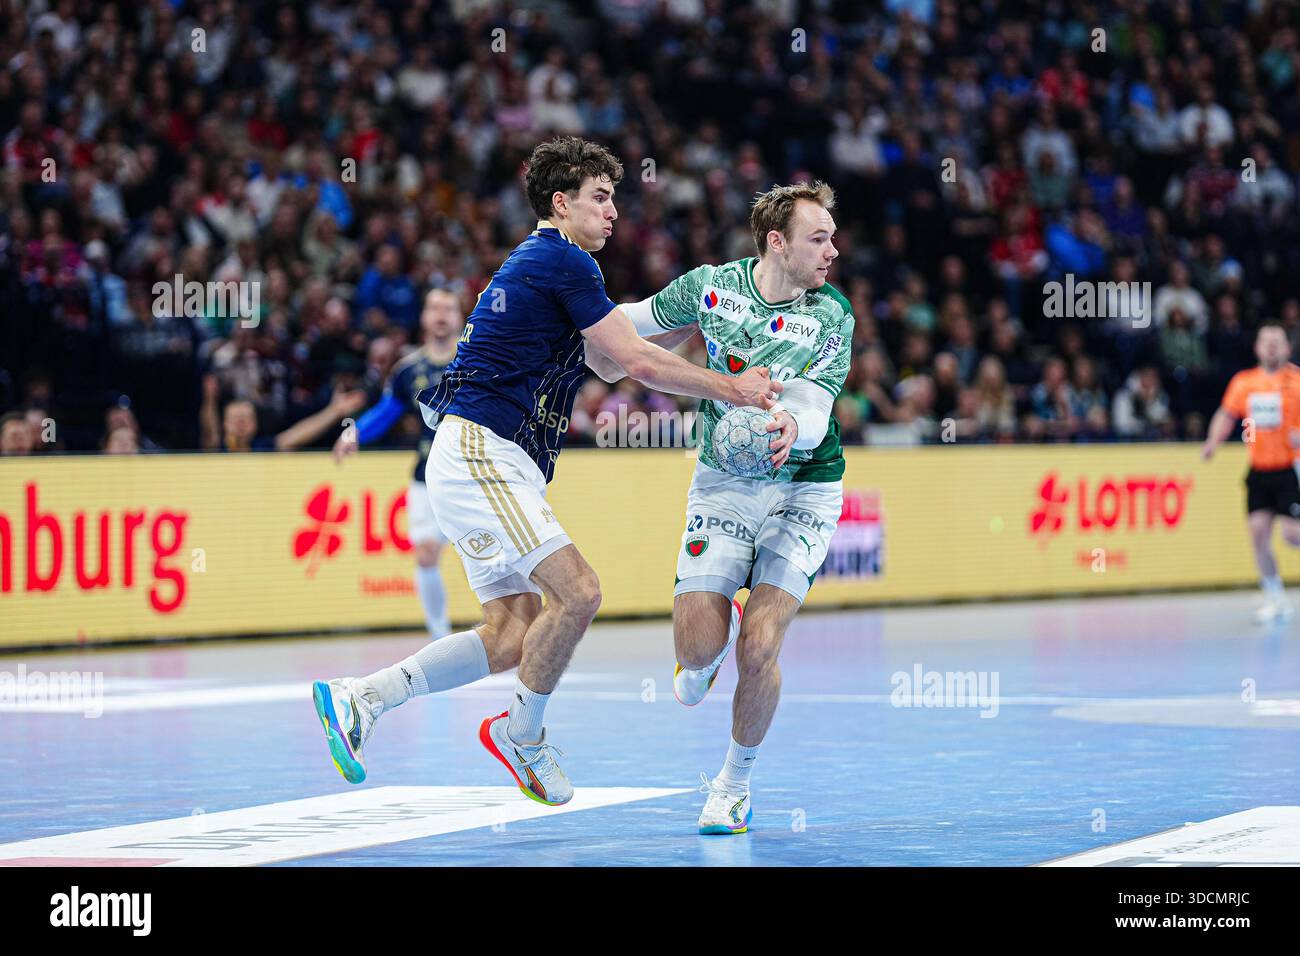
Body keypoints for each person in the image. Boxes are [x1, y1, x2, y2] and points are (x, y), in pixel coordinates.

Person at [312, 136, 780, 804]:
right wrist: (734, 388)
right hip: (483, 451)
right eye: (600, 197)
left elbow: (615, 363)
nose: (614, 211)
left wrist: (696, 315)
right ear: (560, 204)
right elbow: (640, 364)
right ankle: (522, 734)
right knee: (581, 591)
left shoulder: (552, 269)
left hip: (487, 459)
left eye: (615, 197)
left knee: (512, 633)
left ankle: (363, 699)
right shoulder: (561, 259)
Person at [586, 181, 853, 833]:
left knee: (759, 643)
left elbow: (815, 406)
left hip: (805, 485)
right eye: (818, 239)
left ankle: (733, 784)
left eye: (833, 237)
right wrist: (564, 317)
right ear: (777, 243)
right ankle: (704, 646)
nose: (833, 251)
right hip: (723, 483)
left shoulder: (832, 313)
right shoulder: (712, 289)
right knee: (699, 647)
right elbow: (630, 323)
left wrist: (793, 425)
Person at [332, 288, 463, 639]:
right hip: (426, 477)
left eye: (447, 308)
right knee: (425, 554)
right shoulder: (408, 370)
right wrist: (354, 432)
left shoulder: (477, 359)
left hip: (473, 477)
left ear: (459, 316)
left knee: (496, 559)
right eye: (433, 307)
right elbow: (387, 412)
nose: (440, 314)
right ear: (423, 317)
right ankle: (441, 637)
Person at [1202, 323, 1300, 623]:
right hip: (1259, 471)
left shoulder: (1296, 381)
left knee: (1292, 535)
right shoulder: (1244, 382)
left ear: (1286, 347)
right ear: (1257, 347)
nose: (1271, 346)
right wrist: (1212, 442)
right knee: (1258, 534)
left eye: (1277, 341)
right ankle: (1274, 596)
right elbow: (1226, 414)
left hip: (1290, 469)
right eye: (1266, 341)